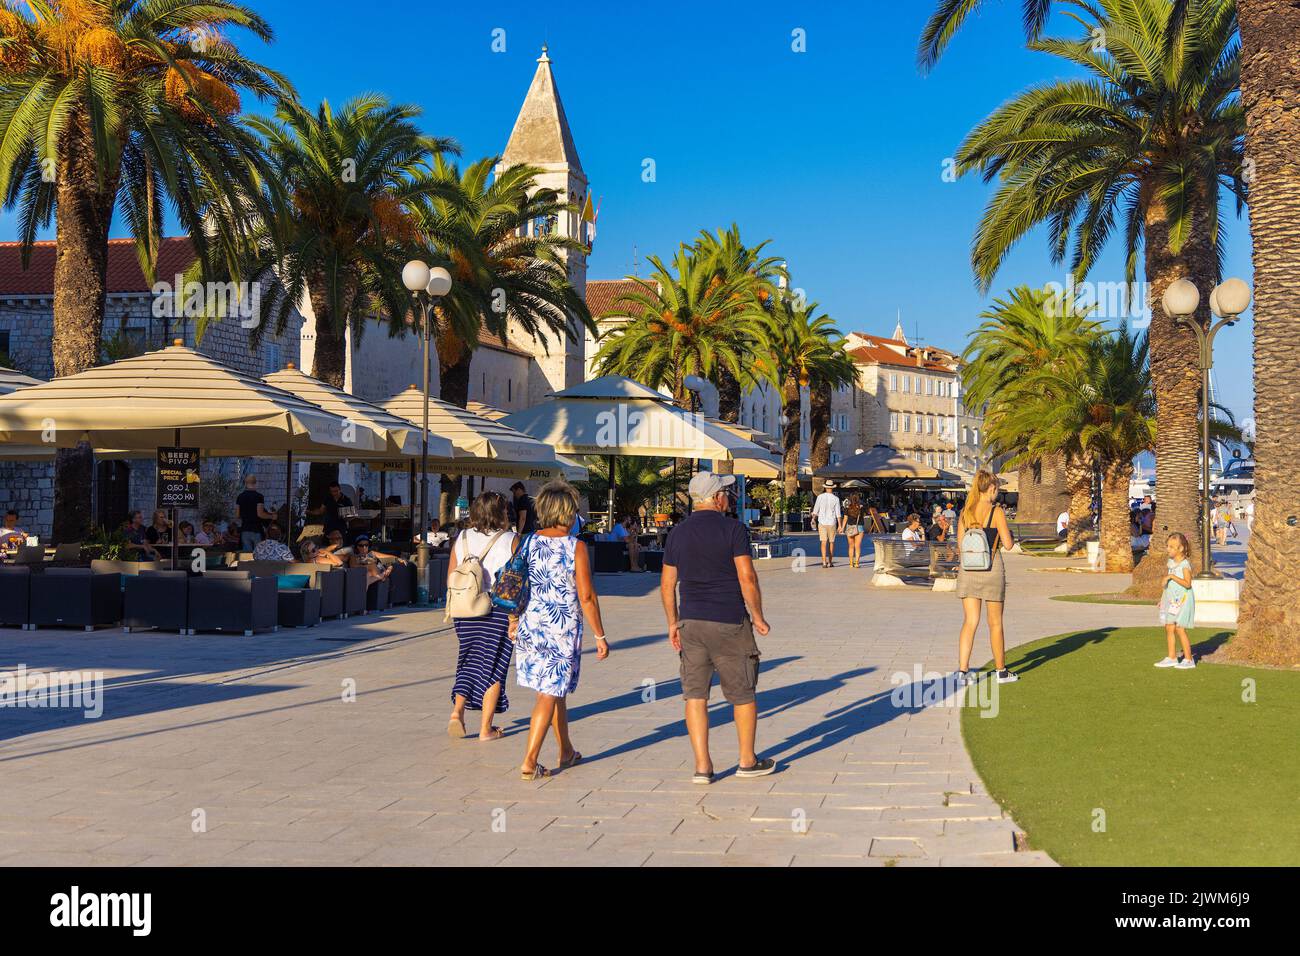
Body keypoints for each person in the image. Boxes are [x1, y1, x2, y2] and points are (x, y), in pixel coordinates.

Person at [661, 472, 775, 785]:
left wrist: (673, 622)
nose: (729, 497)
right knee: (742, 693)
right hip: (729, 620)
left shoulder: (677, 534)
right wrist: (759, 615)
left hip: (691, 622)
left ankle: (702, 767)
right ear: (716, 498)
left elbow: (668, 583)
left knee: (695, 695)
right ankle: (747, 761)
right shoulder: (734, 529)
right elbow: (747, 577)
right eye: (725, 492)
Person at [511, 481, 609, 780]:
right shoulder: (574, 547)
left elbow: (515, 583)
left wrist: (512, 621)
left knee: (556, 692)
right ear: (567, 512)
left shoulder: (526, 542)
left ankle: (566, 749)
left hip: (531, 624)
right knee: (548, 694)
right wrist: (600, 636)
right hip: (560, 629)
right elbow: (587, 596)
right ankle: (529, 761)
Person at [447, 491, 518, 742]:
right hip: (496, 611)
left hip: (465, 609)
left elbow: (451, 576)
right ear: (501, 512)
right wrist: (514, 618)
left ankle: (457, 712)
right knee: (495, 666)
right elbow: (513, 583)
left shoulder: (462, 537)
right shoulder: (511, 539)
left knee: (468, 660)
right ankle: (486, 728)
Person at [955, 470, 1018, 686]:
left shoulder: (966, 512)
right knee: (995, 623)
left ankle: (962, 672)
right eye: (997, 489)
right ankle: (1001, 671)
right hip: (991, 569)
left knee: (970, 622)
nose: (997, 494)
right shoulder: (996, 512)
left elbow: (960, 546)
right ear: (991, 488)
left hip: (968, 570)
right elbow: (1008, 545)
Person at [1155, 532, 1197, 669]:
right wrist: (1163, 599)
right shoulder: (1171, 564)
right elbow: (1168, 586)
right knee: (1169, 627)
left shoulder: (1184, 565)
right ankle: (1172, 657)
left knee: (1180, 628)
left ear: (1180, 549)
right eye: (1168, 546)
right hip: (1173, 600)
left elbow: (1187, 583)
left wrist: (1172, 577)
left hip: (1183, 599)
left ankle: (1189, 659)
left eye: (1172, 547)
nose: (1169, 549)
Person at [236, 475, 276, 553]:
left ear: (245, 483)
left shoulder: (240, 496)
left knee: (247, 555)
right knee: (258, 554)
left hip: (245, 529)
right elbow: (260, 514)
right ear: (255, 483)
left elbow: (237, 515)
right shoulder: (259, 496)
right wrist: (272, 516)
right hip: (256, 529)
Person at [810, 480, 842, 568]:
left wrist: (813, 519)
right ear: (832, 488)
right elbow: (838, 513)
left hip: (822, 522)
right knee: (831, 542)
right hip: (832, 522)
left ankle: (824, 562)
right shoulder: (836, 499)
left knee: (823, 542)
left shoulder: (820, 497)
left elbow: (815, 510)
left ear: (825, 487)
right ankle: (830, 562)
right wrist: (840, 525)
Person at [841, 493, 866, 569]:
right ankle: (857, 563)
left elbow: (845, 519)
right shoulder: (861, 508)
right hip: (859, 527)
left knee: (851, 546)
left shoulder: (847, 508)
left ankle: (851, 563)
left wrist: (842, 528)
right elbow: (864, 515)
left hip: (850, 528)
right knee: (857, 546)